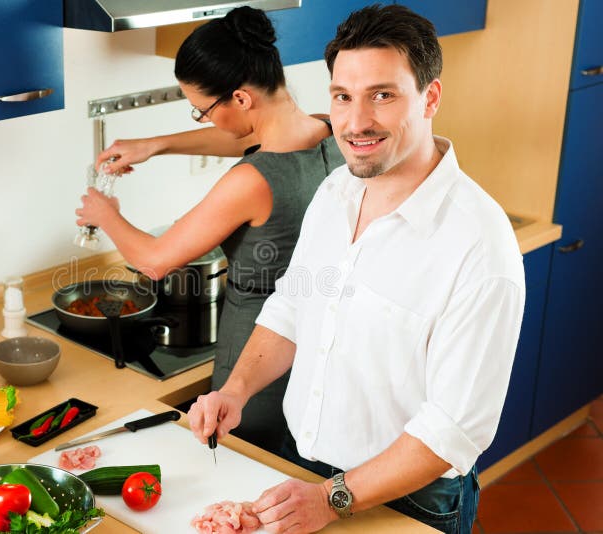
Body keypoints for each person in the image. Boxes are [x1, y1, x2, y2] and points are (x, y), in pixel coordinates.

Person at [187, 4, 525, 534]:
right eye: (343, 96)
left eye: (382, 96)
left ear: (430, 97)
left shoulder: (479, 245)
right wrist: (237, 390)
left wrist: (331, 499)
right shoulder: (336, 191)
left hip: (411, 501)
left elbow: (452, 430)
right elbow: (292, 306)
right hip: (302, 465)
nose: (356, 121)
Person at [76, 7, 344, 456]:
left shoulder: (252, 181)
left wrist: (104, 214)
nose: (205, 120)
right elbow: (248, 137)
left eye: (202, 111)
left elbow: (154, 261)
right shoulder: (330, 131)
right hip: (319, 350)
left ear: (240, 98)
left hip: (255, 360)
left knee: (248, 470)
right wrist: (156, 145)